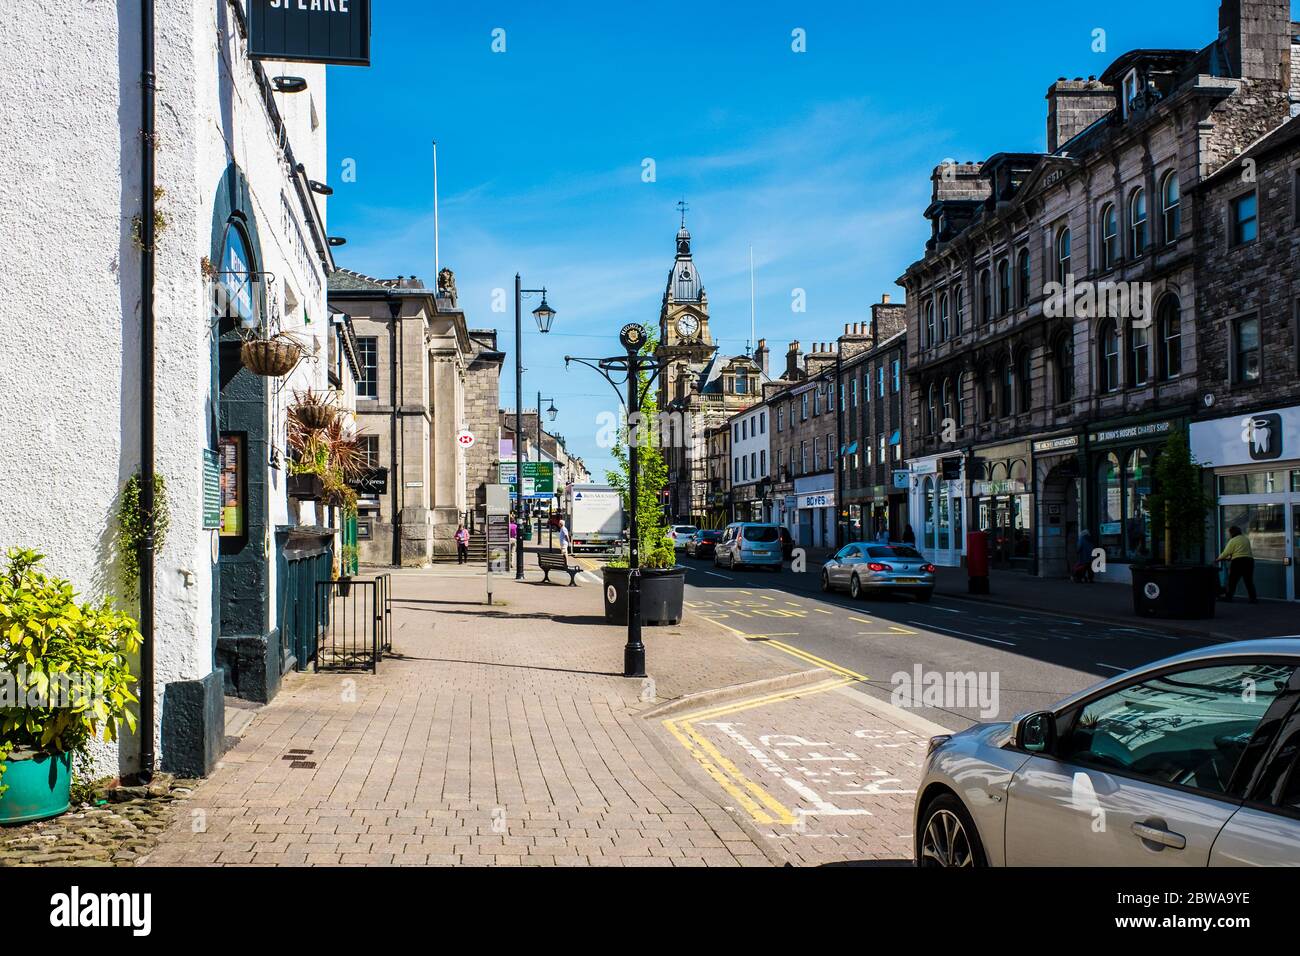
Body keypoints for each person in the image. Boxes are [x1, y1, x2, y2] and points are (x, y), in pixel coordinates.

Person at [1218, 526, 1257, 603]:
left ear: (1232, 533)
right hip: (1249, 561)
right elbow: (1240, 550)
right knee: (1248, 581)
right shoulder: (1246, 539)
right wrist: (1231, 557)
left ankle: (1229, 597)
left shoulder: (1233, 540)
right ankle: (1253, 599)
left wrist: (1217, 559)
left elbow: (1226, 552)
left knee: (1232, 580)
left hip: (1238, 562)